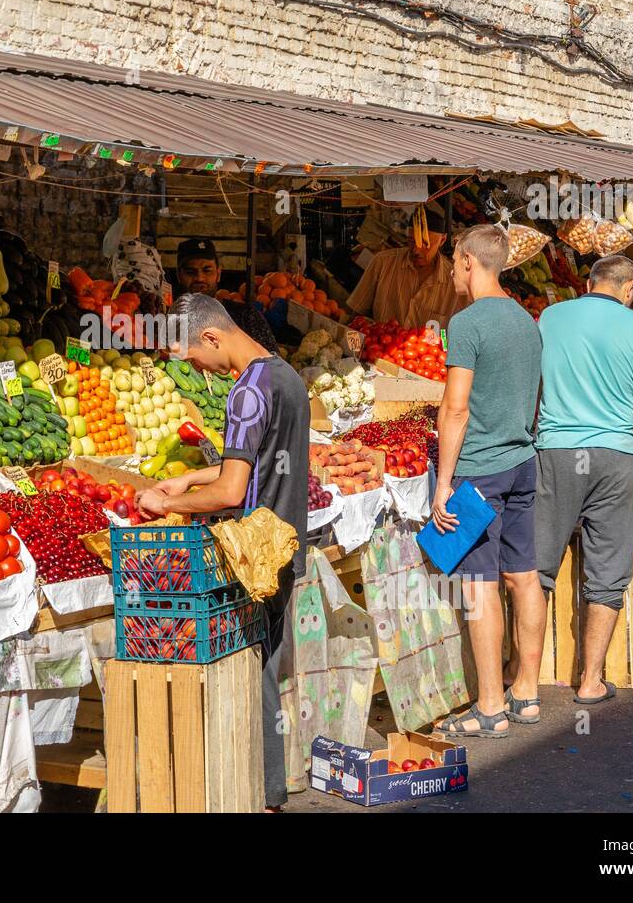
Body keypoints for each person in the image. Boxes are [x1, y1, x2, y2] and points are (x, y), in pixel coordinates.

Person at [136, 293, 308, 811]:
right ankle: (268, 792)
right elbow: (255, 462)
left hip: (252, 555)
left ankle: (254, 795)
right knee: (263, 674)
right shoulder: (285, 377)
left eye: (193, 358)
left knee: (248, 679)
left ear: (211, 337)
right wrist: (189, 476)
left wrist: (170, 501)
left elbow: (233, 492)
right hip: (281, 548)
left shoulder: (245, 392)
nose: (199, 370)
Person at [535, 255, 633, 704]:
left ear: (589, 283)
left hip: (555, 451)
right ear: (629, 289)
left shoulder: (551, 317)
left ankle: (523, 681)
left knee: (537, 568)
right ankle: (591, 682)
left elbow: (533, 386)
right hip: (614, 456)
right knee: (607, 573)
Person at [430, 225, 543, 739]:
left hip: (480, 468)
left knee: (480, 586)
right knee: (523, 577)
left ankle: (491, 706)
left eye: (454, 262)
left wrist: (443, 484)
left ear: (470, 261)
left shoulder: (467, 322)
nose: (453, 271)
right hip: (524, 460)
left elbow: (454, 408)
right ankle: (528, 694)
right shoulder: (526, 320)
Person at [347, 230, 468, 328]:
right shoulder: (382, 262)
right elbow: (356, 314)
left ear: (442, 240)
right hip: (380, 352)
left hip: (430, 356)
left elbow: (453, 337)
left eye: (426, 243)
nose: (416, 250)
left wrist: (442, 350)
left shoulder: (457, 281)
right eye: (411, 241)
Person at [176, 237, 279, 352]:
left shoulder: (245, 317)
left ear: (218, 274)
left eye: (207, 270)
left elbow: (273, 364)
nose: (200, 278)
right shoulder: (171, 321)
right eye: (191, 272)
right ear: (178, 276)